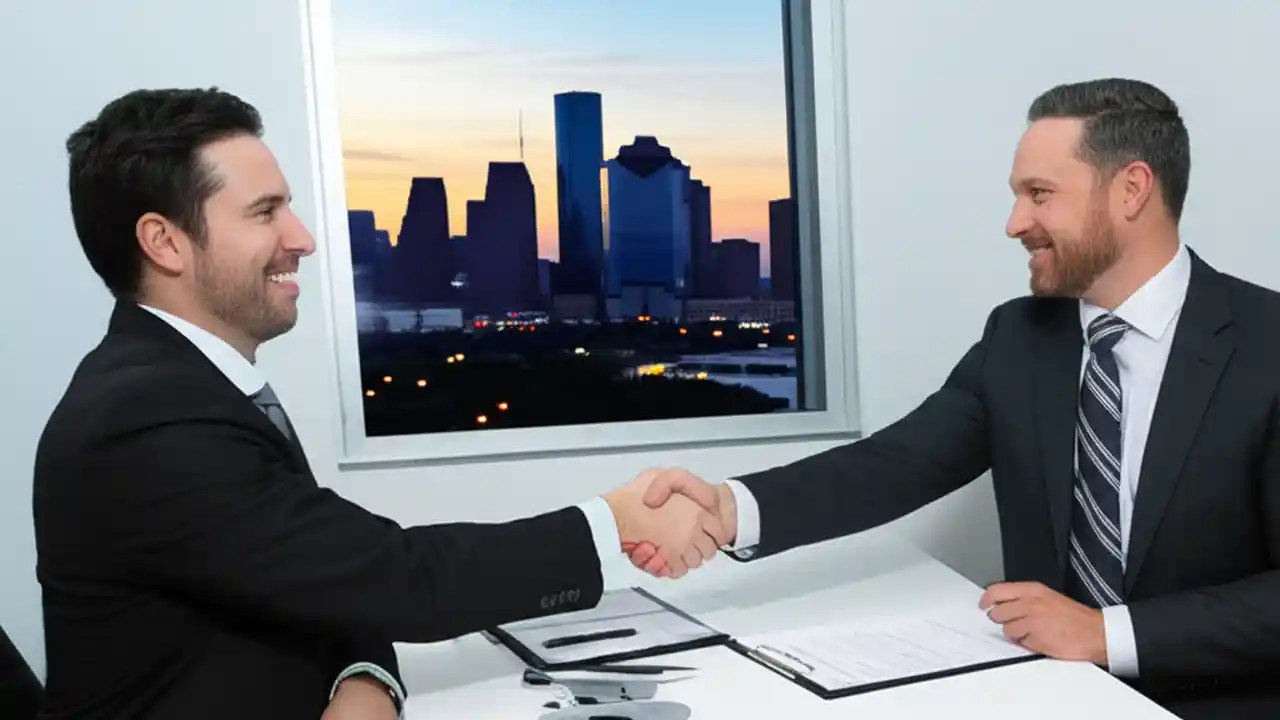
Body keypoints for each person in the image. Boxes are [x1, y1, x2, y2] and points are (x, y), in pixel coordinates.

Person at [33, 88, 728, 720]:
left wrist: (369, 677)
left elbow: (321, 573)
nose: (301, 238)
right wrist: (613, 526)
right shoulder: (144, 420)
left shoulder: (190, 386)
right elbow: (395, 579)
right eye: (265, 212)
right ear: (164, 242)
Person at [630, 78, 1280, 719]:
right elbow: (894, 465)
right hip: (1046, 699)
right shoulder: (1019, 337)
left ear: (1131, 190)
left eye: (1040, 194)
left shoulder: (1267, 345)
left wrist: (1106, 635)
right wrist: (728, 509)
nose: (1015, 223)